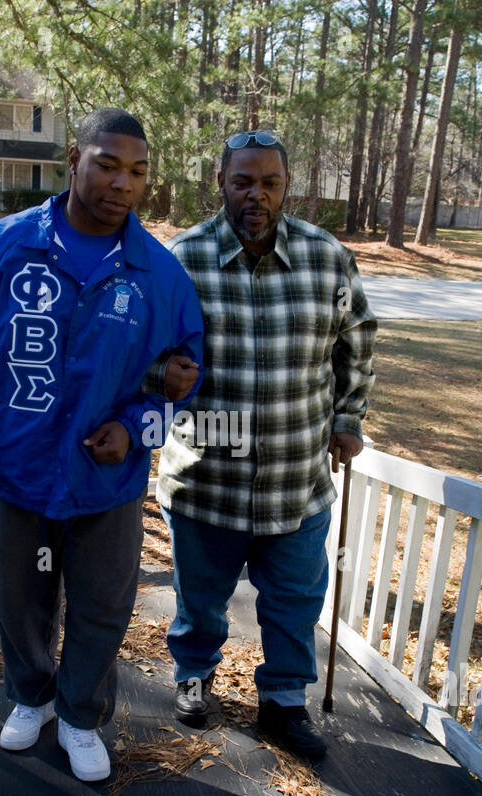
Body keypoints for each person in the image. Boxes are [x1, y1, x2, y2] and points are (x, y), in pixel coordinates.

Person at [0, 108, 203, 782]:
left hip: (109, 482)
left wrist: (135, 426)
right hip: (15, 469)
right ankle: (32, 695)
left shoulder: (159, 275)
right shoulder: (2, 247)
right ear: (73, 158)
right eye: (107, 163)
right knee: (18, 597)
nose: (122, 182)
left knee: (103, 602)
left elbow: (184, 378)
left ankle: (79, 714)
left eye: (137, 171)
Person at [157, 130, 376, 758]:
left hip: (295, 477)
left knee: (295, 600)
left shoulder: (327, 257)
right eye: (243, 181)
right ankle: (193, 676)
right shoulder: (183, 260)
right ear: (222, 184)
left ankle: (284, 702)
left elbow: (356, 340)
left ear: (287, 186)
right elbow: (143, 354)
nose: (257, 194)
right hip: (207, 478)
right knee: (200, 597)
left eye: (269, 182)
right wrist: (160, 383)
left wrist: (347, 418)